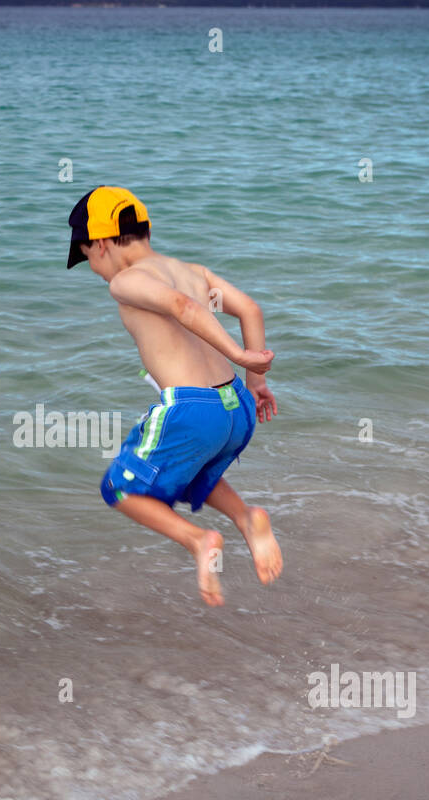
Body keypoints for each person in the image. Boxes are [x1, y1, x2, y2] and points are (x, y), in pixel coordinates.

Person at [67, 185, 283, 605]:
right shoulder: (193, 270)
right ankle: (247, 517)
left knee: (121, 487)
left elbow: (182, 307)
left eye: (88, 256)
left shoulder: (127, 281)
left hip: (192, 409)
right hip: (235, 408)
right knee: (189, 473)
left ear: (104, 243)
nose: (94, 269)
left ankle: (198, 540)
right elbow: (249, 309)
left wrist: (239, 352)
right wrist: (255, 379)